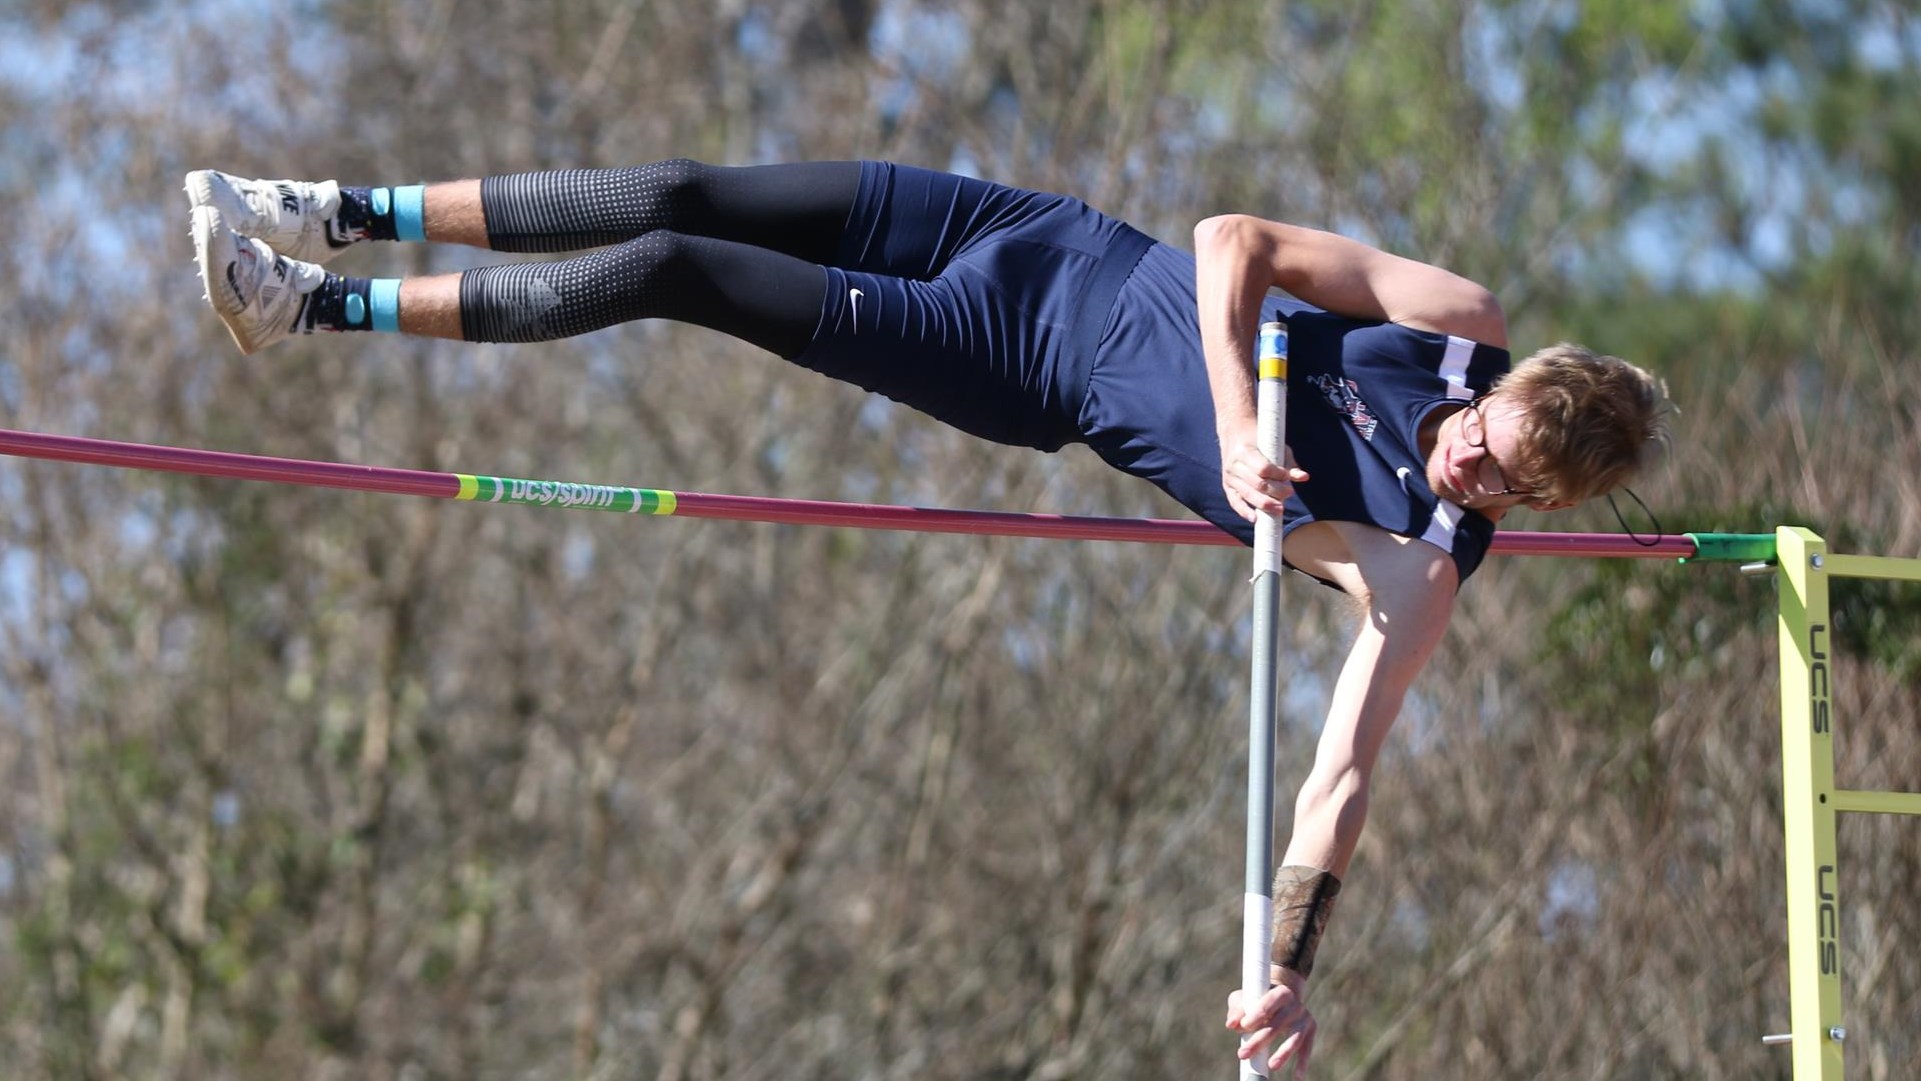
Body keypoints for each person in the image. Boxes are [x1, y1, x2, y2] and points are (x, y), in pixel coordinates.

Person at [186, 160, 1670, 1076]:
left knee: (674, 269)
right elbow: (1230, 240)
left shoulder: (1418, 566)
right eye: (1489, 424)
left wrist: (1285, 967)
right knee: (686, 188)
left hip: (1012, 354)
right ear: (1515, 376)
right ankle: (339, 210)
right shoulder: (1450, 322)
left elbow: (1340, 775)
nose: (1465, 450)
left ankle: (305, 304)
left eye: (1501, 472)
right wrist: (1235, 425)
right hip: (1039, 231)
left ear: (1529, 501)